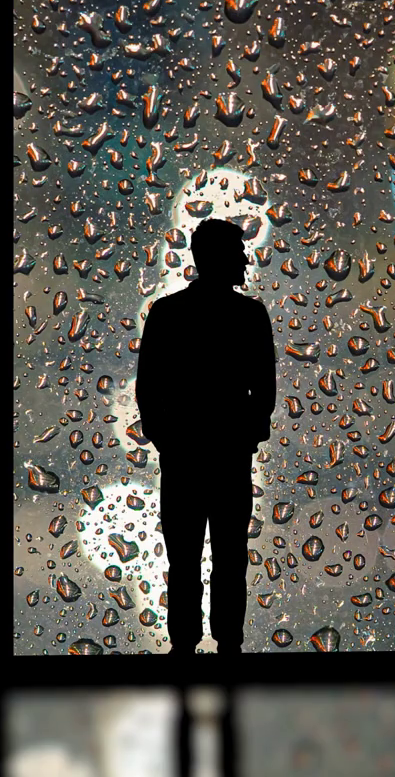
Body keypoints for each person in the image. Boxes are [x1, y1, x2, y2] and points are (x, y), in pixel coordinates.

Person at [134, 218, 275, 655]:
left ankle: (184, 646)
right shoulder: (249, 316)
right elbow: (264, 391)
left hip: (184, 455)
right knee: (229, 556)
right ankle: (227, 643)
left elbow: (147, 389)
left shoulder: (167, 313)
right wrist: (244, 436)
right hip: (228, 455)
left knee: (184, 558)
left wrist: (167, 439)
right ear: (218, 258)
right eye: (238, 252)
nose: (246, 259)